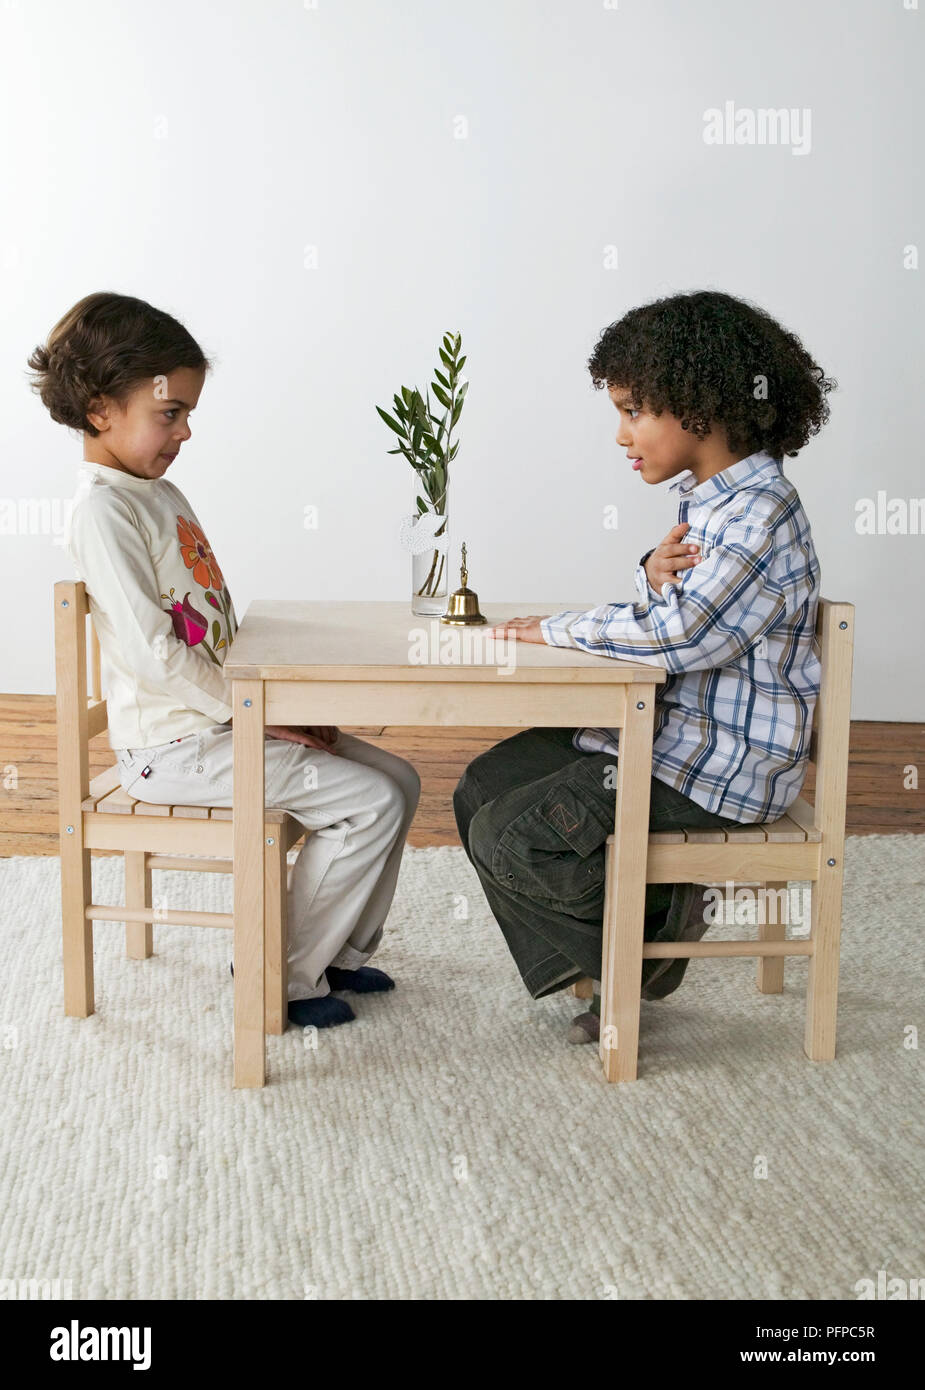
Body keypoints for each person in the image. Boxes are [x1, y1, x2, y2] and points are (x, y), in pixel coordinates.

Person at [453, 289, 836, 1044]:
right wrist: (647, 574)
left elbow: (682, 637)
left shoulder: (759, 511)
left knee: (513, 837)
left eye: (632, 409)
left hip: (717, 768)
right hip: (669, 737)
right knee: (480, 787)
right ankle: (642, 945)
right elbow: (678, 614)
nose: (620, 434)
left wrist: (557, 630)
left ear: (699, 406)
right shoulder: (712, 504)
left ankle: (632, 974)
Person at [29, 291, 420, 1032]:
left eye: (187, 414)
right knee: (365, 803)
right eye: (169, 413)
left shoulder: (157, 493)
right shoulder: (102, 510)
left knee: (397, 778)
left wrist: (273, 710)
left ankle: (334, 948)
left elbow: (213, 629)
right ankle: (282, 975)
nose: (184, 431)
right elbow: (154, 655)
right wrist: (260, 715)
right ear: (98, 407)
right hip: (173, 748)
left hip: (220, 721)